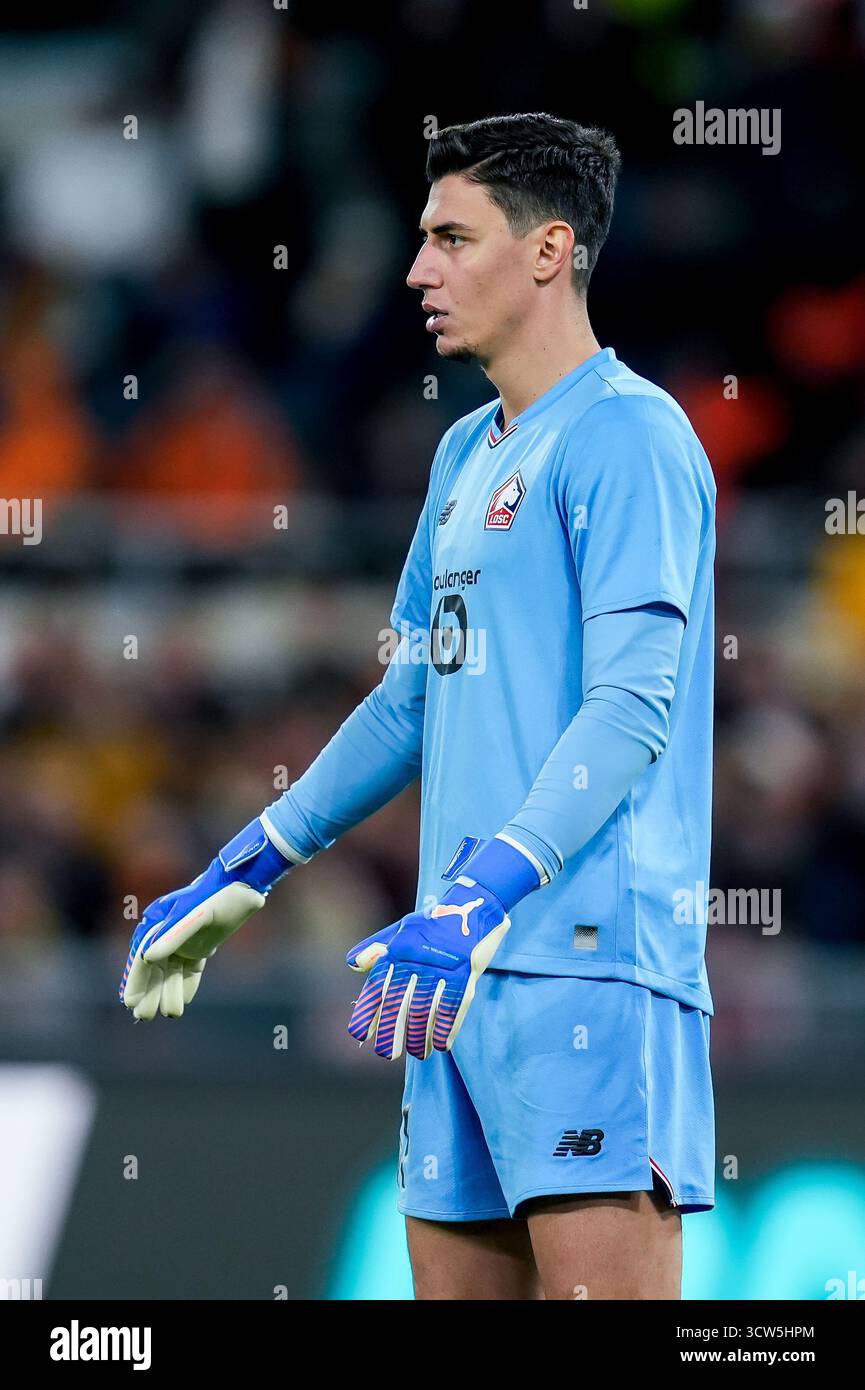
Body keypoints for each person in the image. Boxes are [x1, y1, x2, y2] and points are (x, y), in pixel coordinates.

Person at [120, 113, 717, 1301]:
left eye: (451, 237)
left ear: (548, 252)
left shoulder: (630, 437)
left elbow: (632, 707)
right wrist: (243, 867)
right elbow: (409, 701)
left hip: (584, 970)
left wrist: (484, 894)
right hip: (443, 978)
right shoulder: (460, 456)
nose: (416, 271)